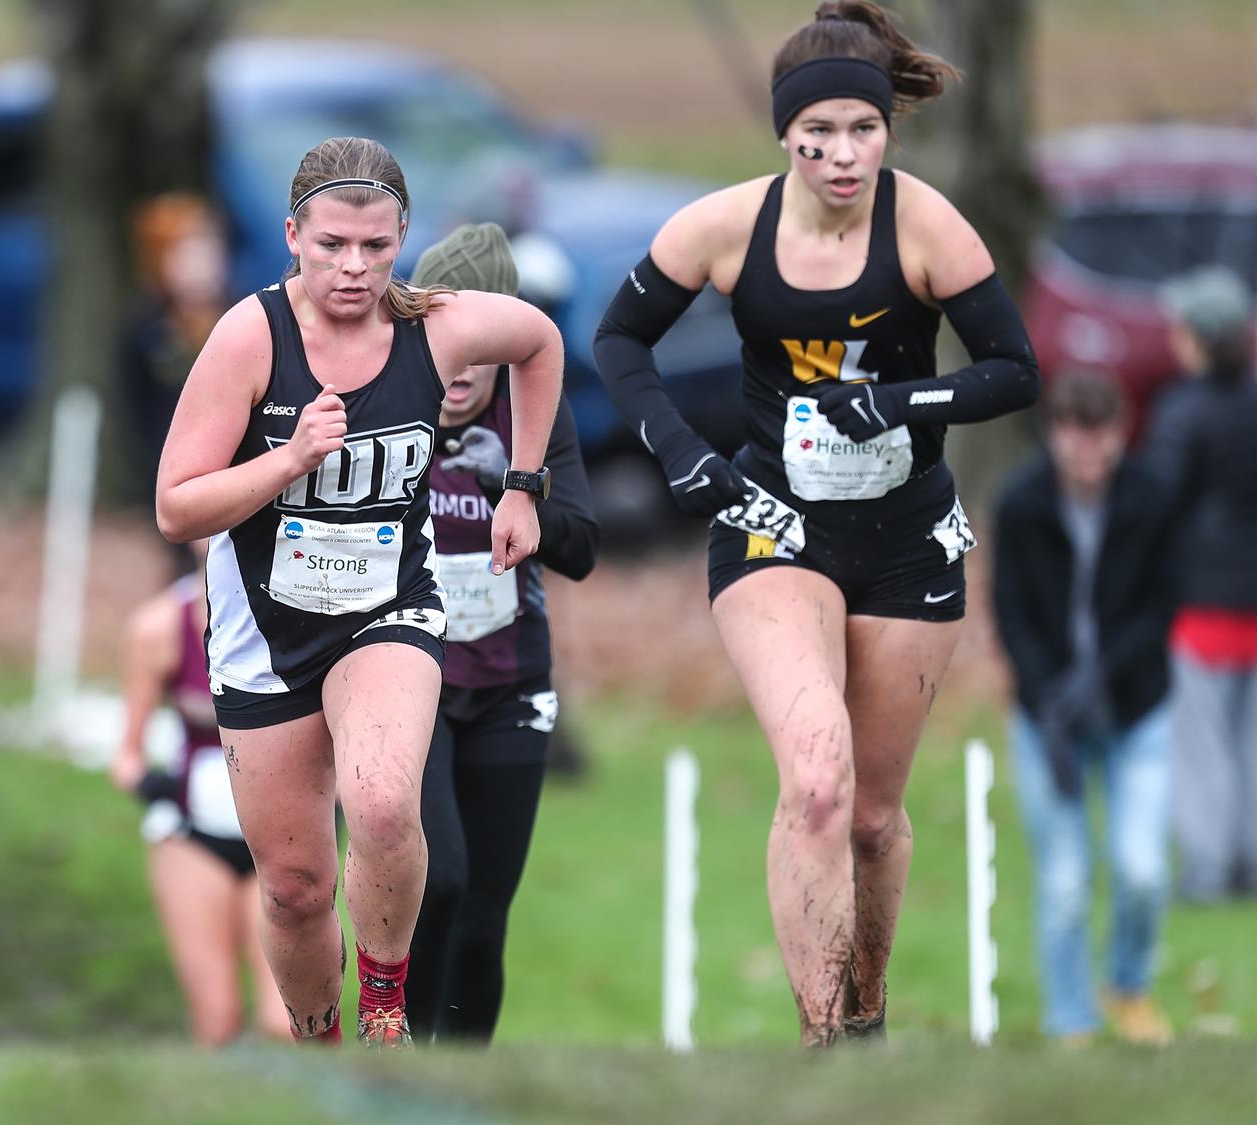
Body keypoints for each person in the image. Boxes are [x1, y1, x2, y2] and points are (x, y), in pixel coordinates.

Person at [590, 0, 1040, 1045]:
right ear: (783, 135)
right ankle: (817, 1046)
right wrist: (681, 451)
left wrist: (897, 401)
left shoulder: (925, 226)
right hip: (770, 523)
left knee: (875, 821)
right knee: (818, 781)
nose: (843, 156)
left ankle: (865, 1023)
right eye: (818, 134)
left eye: (863, 130)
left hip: (904, 535)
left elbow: (1013, 372)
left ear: (888, 128)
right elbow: (618, 343)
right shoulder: (719, 229)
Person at [155, 136, 565, 1047]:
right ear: (293, 235)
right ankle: (321, 1039)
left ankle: (385, 1004)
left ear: (402, 236)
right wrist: (290, 458)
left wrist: (524, 486)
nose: (354, 267)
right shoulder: (249, 335)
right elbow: (176, 508)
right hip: (265, 636)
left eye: (375, 247)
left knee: (382, 800)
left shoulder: (437, 325)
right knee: (297, 889)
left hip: (388, 612)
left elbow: (540, 341)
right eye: (333, 244)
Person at [402, 223, 600, 1044]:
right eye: (453, 351)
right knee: (435, 880)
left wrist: (513, 484)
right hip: (410, 685)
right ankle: (401, 1060)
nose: (464, 375)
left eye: (485, 356)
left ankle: (469, 1082)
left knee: (484, 914)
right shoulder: (389, 403)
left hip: (511, 686)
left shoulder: (533, 419)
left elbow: (582, 547)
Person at [994, 372, 1178, 1045]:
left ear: (1120, 433)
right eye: (1074, 438)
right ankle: (1070, 1017)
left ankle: (1128, 985)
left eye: (1100, 439)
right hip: (1045, 717)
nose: (1087, 454)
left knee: (1141, 868)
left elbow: (1162, 603)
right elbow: (1010, 613)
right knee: (1066, 876)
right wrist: (1051, 704)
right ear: (1054, 434)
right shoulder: (1021, 505)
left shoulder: (1152, 498)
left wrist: (1103, 676)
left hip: (1136, 710)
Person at [108, 552, 293, 1046]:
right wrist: (159, 789)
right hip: (194, 841)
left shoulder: (296, 614)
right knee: (218, 1019)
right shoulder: (159, 627)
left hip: (279, 838)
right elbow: (126, 757)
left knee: (287, 1021)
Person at [1141, 265, 1257, 902]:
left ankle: (1209, 870)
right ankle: (1249, 862)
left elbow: (1159, 503)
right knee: (1250, 740)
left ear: (1202, 337)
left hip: (1203, 605)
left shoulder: (1182, 412)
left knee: (1203, 742)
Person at [123, 194, 232, 512]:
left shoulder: (242, 317)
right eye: (187, 255)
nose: (203, 265)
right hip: (171, 472)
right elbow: (135, 411)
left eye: (210, 251)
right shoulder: (143, 330)